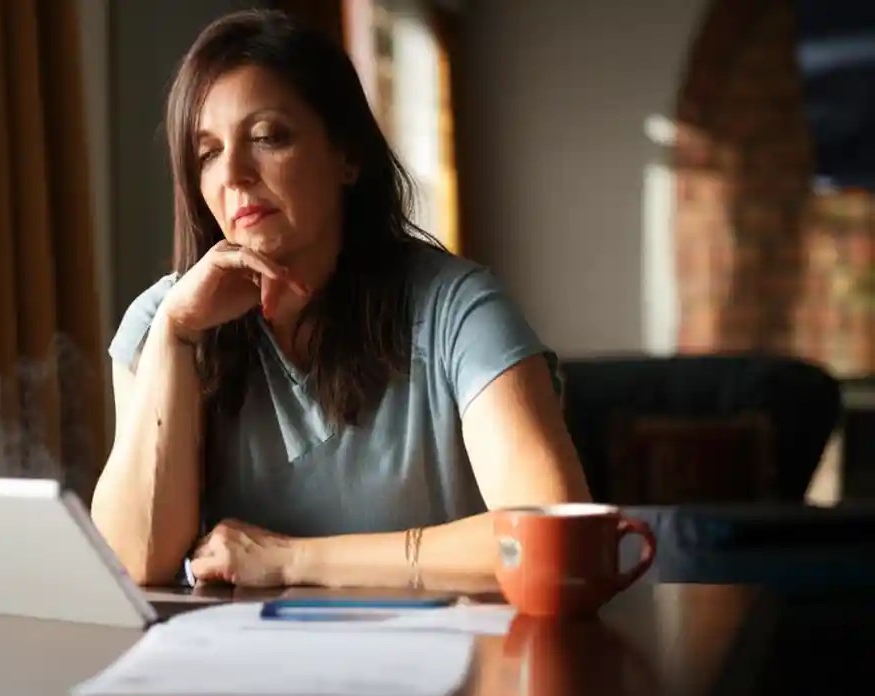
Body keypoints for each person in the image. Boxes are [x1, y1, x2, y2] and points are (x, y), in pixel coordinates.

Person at [91, 9, 591, 589]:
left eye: (267, 137)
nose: (234, 173)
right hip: (243, 671)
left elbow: (554, 541)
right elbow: (134, 562)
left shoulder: (459, 312)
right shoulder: (161, 322)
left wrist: (294, 560)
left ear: (347, 155)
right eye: (206, 153)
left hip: (441, 669)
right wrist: (176, 335)